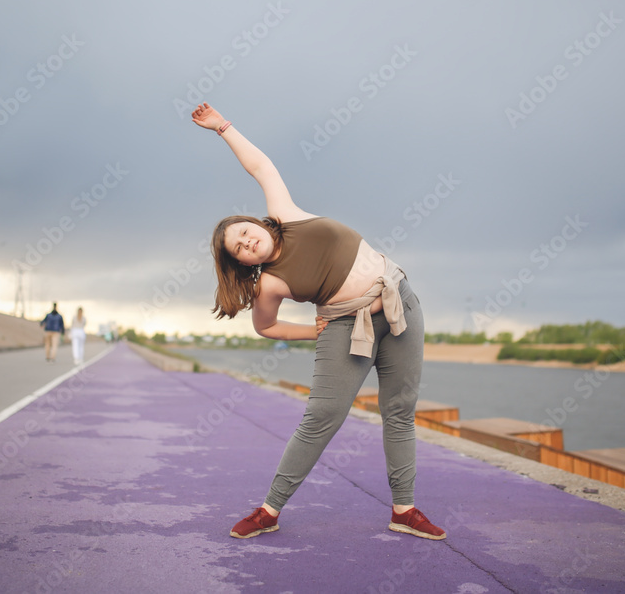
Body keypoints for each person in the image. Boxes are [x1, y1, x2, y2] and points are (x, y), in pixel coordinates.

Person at [191, 102, 445, 541]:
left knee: (399, 410)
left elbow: (260, 165)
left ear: (258, 223)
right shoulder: (269, 285)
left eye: (245, 232)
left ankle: (404, 509)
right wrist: (312, 331)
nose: (247, 242)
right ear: (241, 262)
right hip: (345, 326)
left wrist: (223, 127)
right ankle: (269, 510)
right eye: (238, 249)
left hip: (399, 301)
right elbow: (265, 328)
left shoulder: (288, 216)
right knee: (323, 415)